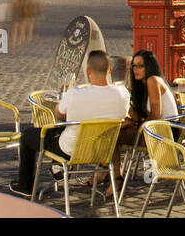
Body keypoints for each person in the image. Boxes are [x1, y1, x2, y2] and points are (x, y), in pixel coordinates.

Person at [10, 50, 130, 197]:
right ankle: (57, 168)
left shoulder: (75, 94)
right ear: (109, 69)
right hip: (103, 149)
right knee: (60, 132)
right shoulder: (123, 93)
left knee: (29, 135)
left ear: (88, 71)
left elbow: (58, 113)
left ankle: (25, 186)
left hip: (70, 149)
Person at [117, 49, 180, 157]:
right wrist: (126, 99)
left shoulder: (153, 80)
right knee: (114, 135)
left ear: (149, 67)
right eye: (134, 66)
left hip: (166, 133)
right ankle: (110, 172)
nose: (135, 69)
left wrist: (135, 124)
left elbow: (155, 114)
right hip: (156, 129)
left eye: (140, 66)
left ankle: (109, 172)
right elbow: (137, 117)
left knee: (111, 137)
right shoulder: (142, 85)